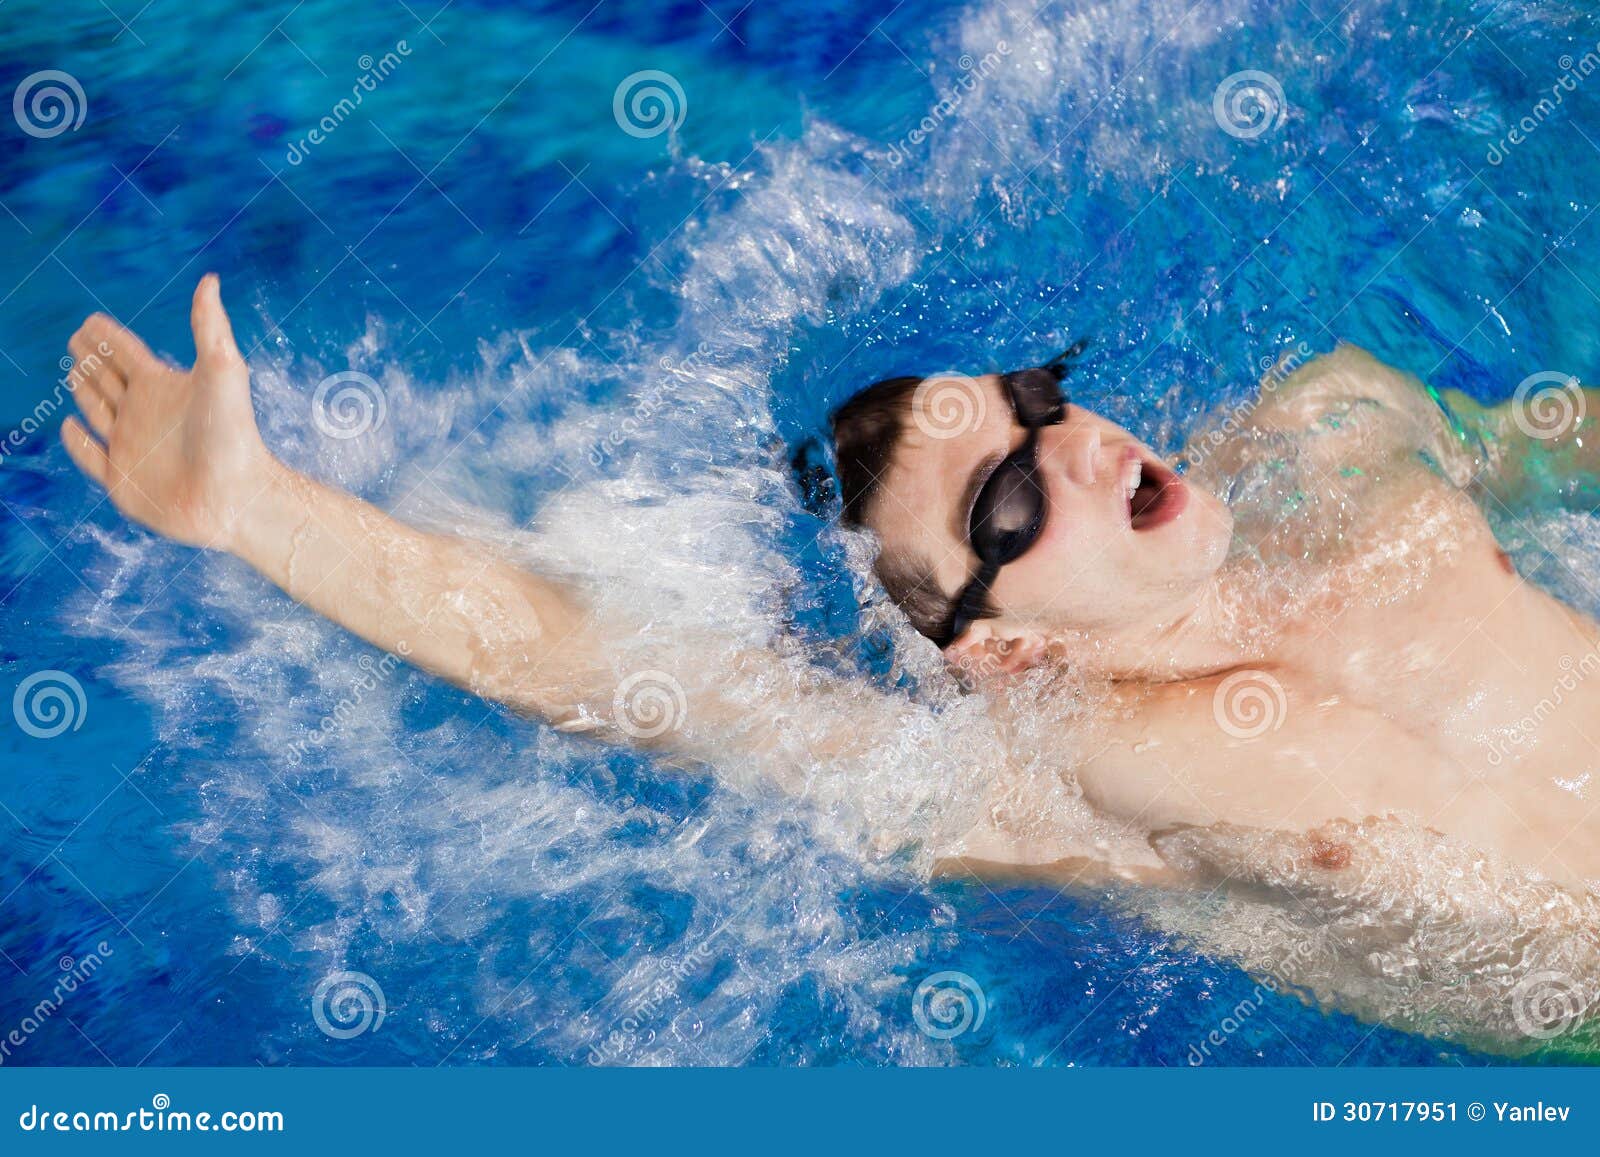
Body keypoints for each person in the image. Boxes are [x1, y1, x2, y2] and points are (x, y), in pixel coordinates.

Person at [61, 275, 1598, 1048]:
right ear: (998, 649)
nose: (1071, 449)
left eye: (1036, 401)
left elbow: (1553, 441)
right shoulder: (1075, 780)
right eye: (1009, 498)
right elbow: (595, 658)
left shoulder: (1344, 432)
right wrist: (260, 511)